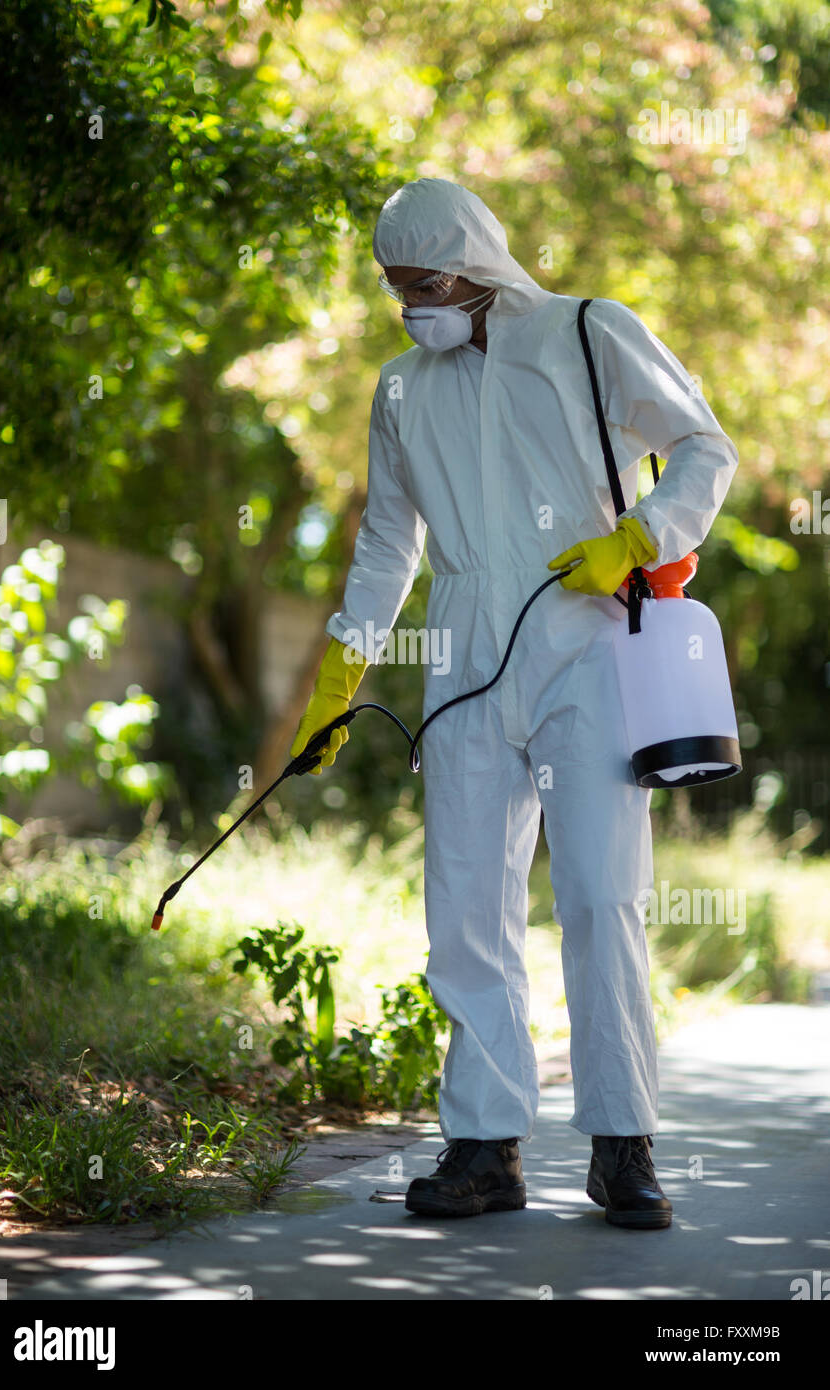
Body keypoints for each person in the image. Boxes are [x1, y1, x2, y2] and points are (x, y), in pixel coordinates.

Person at [290, 177, 738, 1228]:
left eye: (423, 281)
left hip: (586, 649)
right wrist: (340, 673)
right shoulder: (401, 388)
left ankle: (620, 1144)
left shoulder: (588, 333)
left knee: (597, 896)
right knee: (465, 912)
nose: (409, 304)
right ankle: (484, 1147)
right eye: (393, 287)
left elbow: (706, 447)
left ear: (473, 263)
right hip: (459, 666)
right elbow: (386, 544)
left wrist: (641, 535)